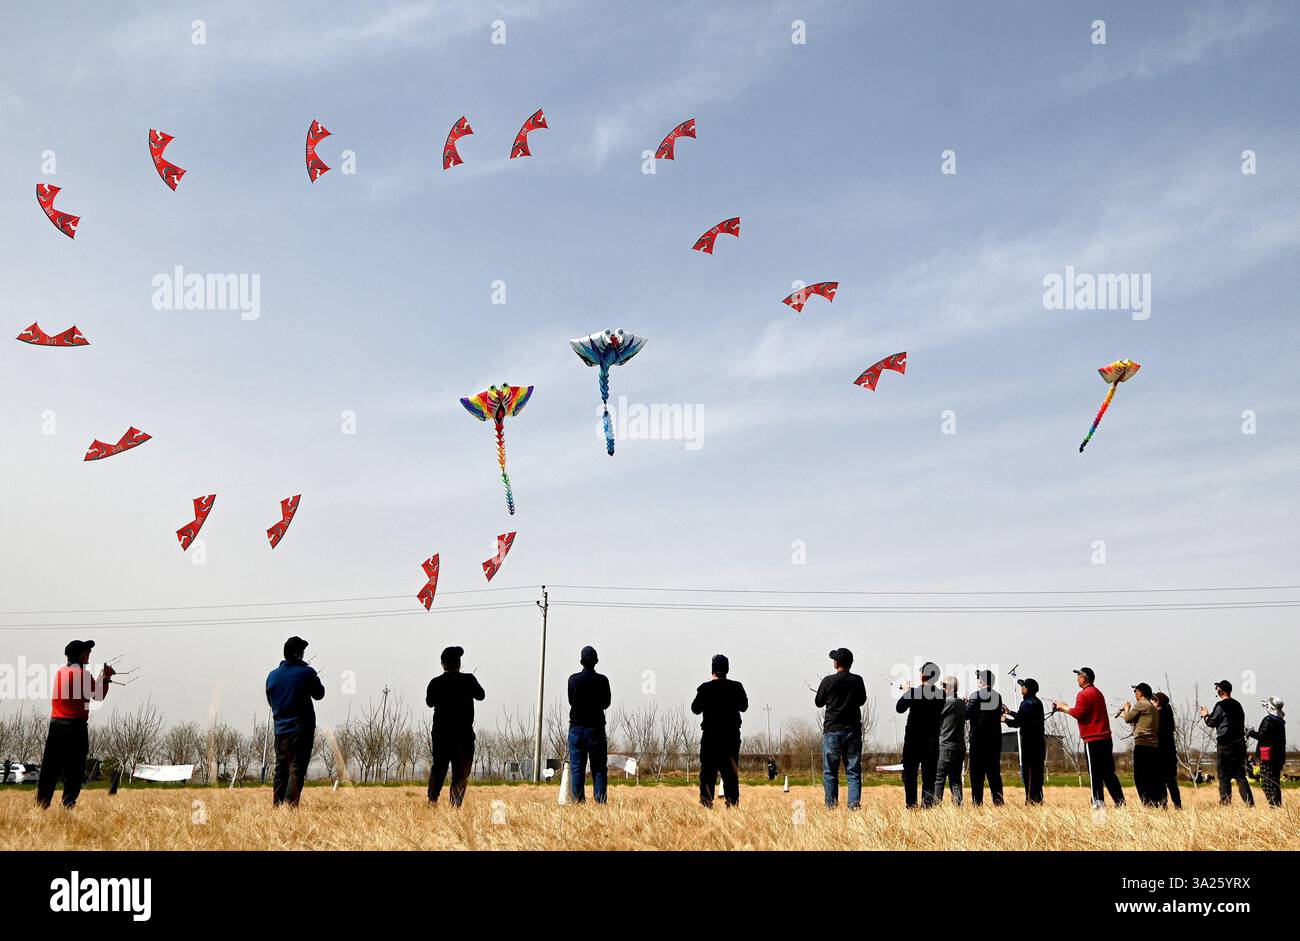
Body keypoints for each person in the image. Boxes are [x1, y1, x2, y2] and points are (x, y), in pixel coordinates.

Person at [35, 639, 114, 809]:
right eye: (88, 651)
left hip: (56, 725)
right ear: (82, 655)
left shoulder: (61, 672)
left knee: (50, 768)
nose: (90, 654)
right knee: (75, 769)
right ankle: (68, 804)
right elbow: (98, 696)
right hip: (75, 727)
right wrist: (106, 677)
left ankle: (42, 804)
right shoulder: (83, 675)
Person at [265, 635, 324, 807]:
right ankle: (291, 807)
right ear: (299, 655)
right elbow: (319, 694)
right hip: (301, 729)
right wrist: (309, 672)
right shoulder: (306, 673)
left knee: (281, 769)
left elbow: (271, 700)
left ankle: (277, 805)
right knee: (296, 769)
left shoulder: (272, 676)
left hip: (280, 730)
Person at [1054, 667, 1125, 807]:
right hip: (1105, 739)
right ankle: (1120, 802)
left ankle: (1098, 806)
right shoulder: (1098, 693)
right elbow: (1084, 713)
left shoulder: (1083, 694)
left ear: (1083, 678)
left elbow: (1079, 714)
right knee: (1108, 773)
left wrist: (1066, 708)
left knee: (1095, 775)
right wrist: (1068, 710)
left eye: (1078, 676)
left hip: (1093, 740)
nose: (1077, 678)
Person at [425, 646, 485, 807]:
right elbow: (481, 695)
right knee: (461, 772)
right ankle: (455, 805)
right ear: (459, 663)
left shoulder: (435, 683)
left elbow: (429, 702)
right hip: (463, 736)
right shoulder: (468, 680)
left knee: (438, 769)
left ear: (442, 664)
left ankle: (432, 800)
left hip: (441, 735)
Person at [691, 654, 748, 808]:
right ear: (727, 670)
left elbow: (695, 709)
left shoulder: (705, 689)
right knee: (730, 776)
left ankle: (706, 805)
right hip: (730, 739)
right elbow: (744, 706)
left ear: (712, 670)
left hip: (710, 739)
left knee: (707, 775)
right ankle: (732, 804)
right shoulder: (736, 687)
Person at [815, 648, 867, 809]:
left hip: (832, 730)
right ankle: (853, 806)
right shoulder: (858, 680)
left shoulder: (827, 681)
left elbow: (818, 702)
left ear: (836, 663)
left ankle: (831, 807)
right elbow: (861, 700)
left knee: (830, 771)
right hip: (852, 731)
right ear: (850, 663)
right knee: (853, 771)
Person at [566, 645, 611, 804]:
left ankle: (578, 802)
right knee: (599, 768)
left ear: (581, 661)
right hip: (596, 729)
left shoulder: (573, 679)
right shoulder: (602, 680)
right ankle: (600, 801)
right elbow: (606, 703)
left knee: (577, 768)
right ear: (596, 661)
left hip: (576, 729)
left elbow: (571, 700)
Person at [896, 661, 943, 808]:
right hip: (932, 741)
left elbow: (899, 708)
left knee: (910, 774)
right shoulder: (941, 695)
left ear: (922, 675)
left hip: (913, 741)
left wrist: (907, 691)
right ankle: (927, 805)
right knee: (929, 776)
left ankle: (911, 804)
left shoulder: (913, 692)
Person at [1200, 679, 1254, 807]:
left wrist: (1205, 715)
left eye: (1217, 688)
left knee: (1224, 775)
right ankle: (1250, 804)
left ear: (1221, 690)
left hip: (1225, 744)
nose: (1216, 690)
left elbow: (1211, 722)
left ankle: (1225, 802)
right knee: (1240, 776)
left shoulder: (1220, 706)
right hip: (1240, 744)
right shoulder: (1238, 705)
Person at [1118, 683, 1166, 807]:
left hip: (1142, 745)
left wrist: (1126, 708)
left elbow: (1128, 718)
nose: (1135, 693)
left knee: (1140, 777)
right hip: (1153, 747)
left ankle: (1147, 803)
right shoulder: (1152, 707)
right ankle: (1157, 802)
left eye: (1136, 691)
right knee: (1152, 776)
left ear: (1141, 693)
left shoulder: (1141, 704)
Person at [1003, 677, 1045, 804]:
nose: (1022, 688)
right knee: (1038, 773)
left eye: (1024, 686)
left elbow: (1018, 723)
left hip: (1029, 743)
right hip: (1038, 743)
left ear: (1029, 689)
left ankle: (1031, 800)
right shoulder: (1036, 702)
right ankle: (1038, 799)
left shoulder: (1027, 703)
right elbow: (1024, 717)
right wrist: (1010, 712)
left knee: (1030, 773)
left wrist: (1004, 719)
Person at [965, 669, 1005, 806]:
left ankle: (977, 803)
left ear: (981, 681)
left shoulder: (975, 695)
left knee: (977, 775)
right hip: (994, 741)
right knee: (994, 774)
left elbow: (966, 715)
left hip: (978, 740)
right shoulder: (998, 696)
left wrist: (966, 704)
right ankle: (998, 802)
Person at [1249, 696, 1286, 808]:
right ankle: (1277, 806)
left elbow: (1261, 736)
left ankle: (1274, 806)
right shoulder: (1280, 721)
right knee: (1275, 783)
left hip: (1268, 756)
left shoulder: (1268, 720)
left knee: (1267, 783)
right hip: (1278, 756)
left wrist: (1250, 732)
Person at [935, 676, 966, 805]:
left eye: (942, 685)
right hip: (959, 747)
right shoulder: (961, 703)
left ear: (948, 687)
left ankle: (934, 809)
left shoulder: (946, 702)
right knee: (956, 781)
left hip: (945, 746)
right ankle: (958, 809)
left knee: (939, 779)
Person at [1153, 692, 1182, 809]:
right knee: (1171, 781)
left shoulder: (1158, 716)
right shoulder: (1168, 714)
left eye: (1153, 700)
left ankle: (1163, 804)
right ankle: (1177, 804)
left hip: (1160, 752)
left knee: (1160, 781)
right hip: (1170, 753)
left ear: (1158, 702)